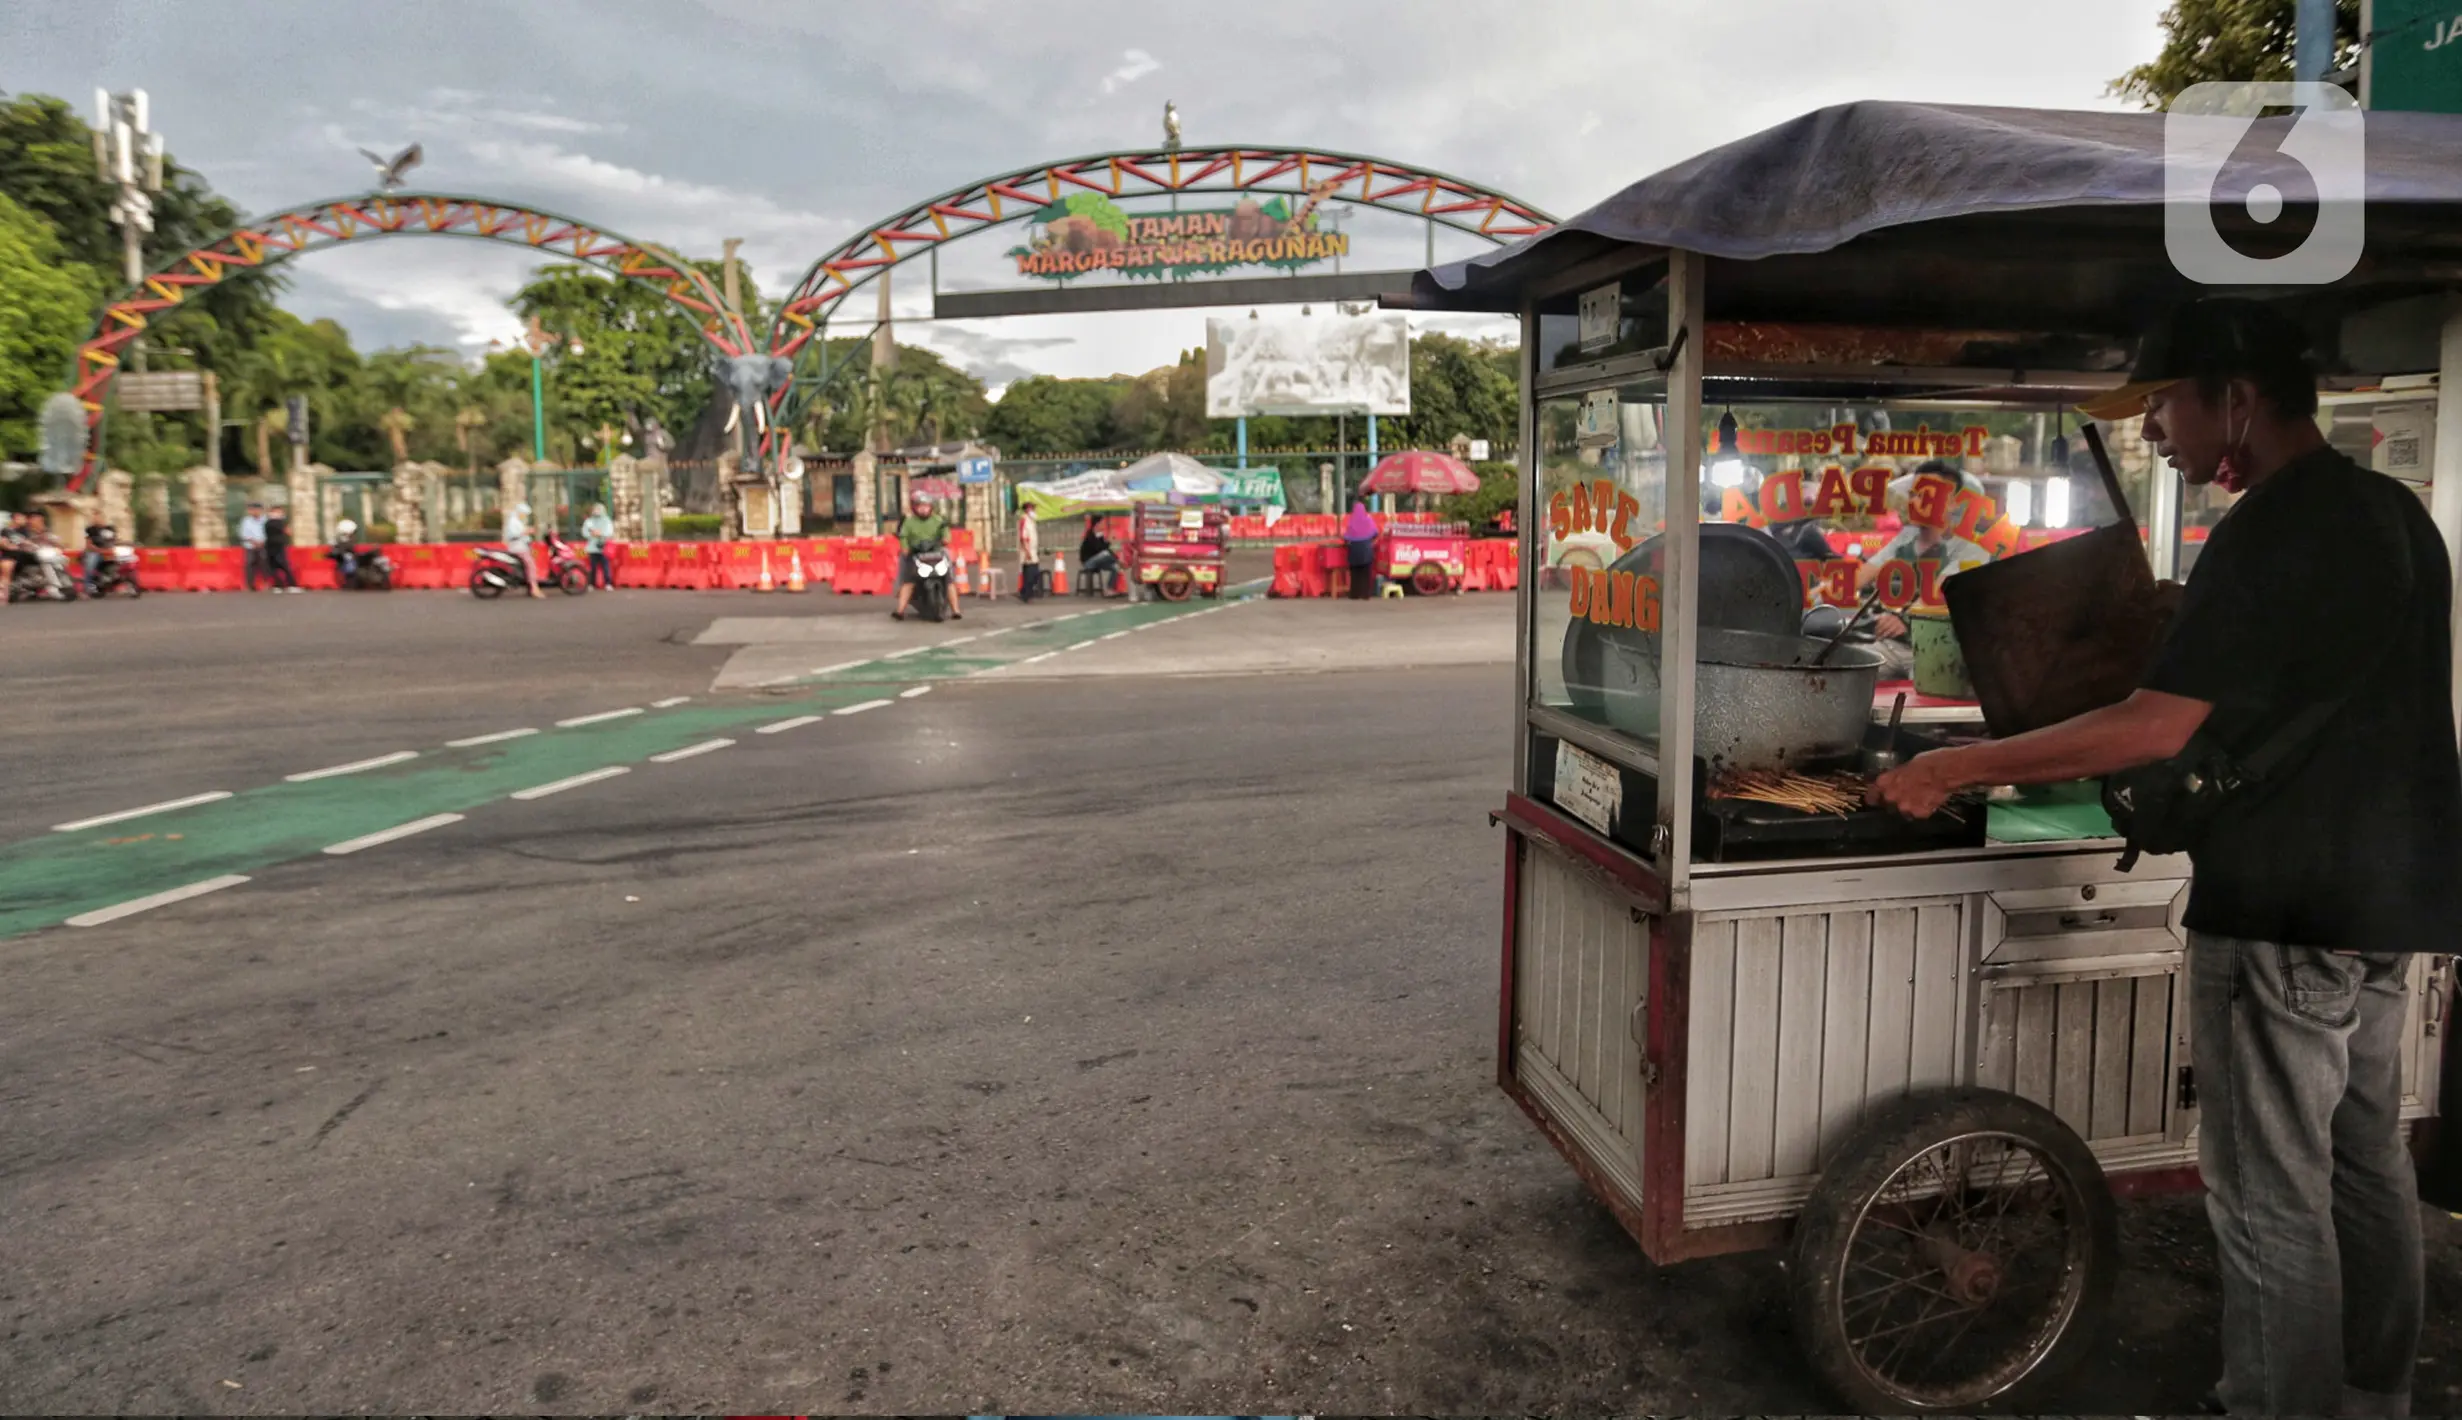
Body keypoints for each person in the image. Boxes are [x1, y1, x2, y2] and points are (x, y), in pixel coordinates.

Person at [1869, 298, 2460, 1419]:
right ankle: (2370, 1397)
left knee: (2266, 1190)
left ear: (2235, 399)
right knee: (2363, 1161)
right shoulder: (2390, 512)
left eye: (2161, 403)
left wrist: (1956, 766)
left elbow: (2152, 727)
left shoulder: (2268, 530)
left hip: (2283, 904)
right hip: (2389, 901)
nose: (2150, 430)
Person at [891, 488, 961, 621]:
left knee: (949, 579)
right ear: (914, 508)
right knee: (909, 580)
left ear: (931, 507)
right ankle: (899, 610)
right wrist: (905, 548)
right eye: (920, 506)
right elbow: (903, 537)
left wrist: (945, 539)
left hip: (936, 553)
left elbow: (946, 533)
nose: (924, 509)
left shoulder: (938, 520)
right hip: (916, 554)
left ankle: (956, 610)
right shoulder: (909, 522)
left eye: (926, 506)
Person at [501, 501, 543, 599]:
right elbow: (513, 535)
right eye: (524, 514)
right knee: (531, 566)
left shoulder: (516, 521)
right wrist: (526, 531)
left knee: (527, 566)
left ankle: (530, 586)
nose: (524, 516)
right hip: (518, 548)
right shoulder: (513, 521)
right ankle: (534, 588)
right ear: (519, 512)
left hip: (521, 547)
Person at [1342, 500, 1379, 599]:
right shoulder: (1368, 520)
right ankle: (1365, 594)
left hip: (1354, 551)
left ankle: (1354, 594)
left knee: (1355, 574)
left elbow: (1346, 538)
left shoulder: (1351, 521)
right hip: (1366, 550)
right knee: (1366, 574)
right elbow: (1375, 534)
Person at [262, 503, 298, 592]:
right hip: (273, 546)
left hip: (275, 546)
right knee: (276, 566)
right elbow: (288, 532)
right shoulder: (274, 523)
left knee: (279, 566)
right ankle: (282, 585)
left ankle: (287, 585)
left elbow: (288, 532)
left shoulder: (270, 522)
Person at [1078, 516, 1119, 592]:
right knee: (1106, 554)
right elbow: (1098, 548)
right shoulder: (1090, 535)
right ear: (1097, 524)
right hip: (1088, 562)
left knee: (1115, 567)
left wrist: (1107, 542)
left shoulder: (1100, 535)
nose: (1103, 525)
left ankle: (1109, 589)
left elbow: (1104, 548)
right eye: (1102, 523)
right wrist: (1108, 542)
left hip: (1098, 561)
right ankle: (1118, 561)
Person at [581, 502, 616, 589]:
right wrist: (591, 534)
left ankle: (608, 583)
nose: (596, 511)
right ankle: (591, 584)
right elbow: (584, 532)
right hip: (592, 548)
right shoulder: (589, 521)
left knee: (605, 566)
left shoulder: (607, 521)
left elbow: (609, 532)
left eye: (598, 509)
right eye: (595, 509)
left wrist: (600, 534)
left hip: (604, 547)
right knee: (592, 567)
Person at [238, 501, 269, 592]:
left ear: (261, 510)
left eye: (257, 510)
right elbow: (243, 534)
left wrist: (262, 542)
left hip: (263, 545)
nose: (255, 511)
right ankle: (249, 585)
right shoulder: (246, 521)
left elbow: (269, 533)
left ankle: (265, 583)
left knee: (264, 563)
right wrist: (253, 541)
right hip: (250, 546)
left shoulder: (266, 520)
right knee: (249, 564)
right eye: (252, 510)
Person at [1016, 507, 1042, 601]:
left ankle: (1025, 592)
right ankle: (1026, 594)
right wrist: (1027, 552)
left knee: (1032, 573)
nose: (1034, 512)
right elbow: (1023, 538)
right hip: (1027, 550)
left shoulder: (1031, 521)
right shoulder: (1024, 521)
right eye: (1033, 510)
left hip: (1033, 550)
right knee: (1031, 573)